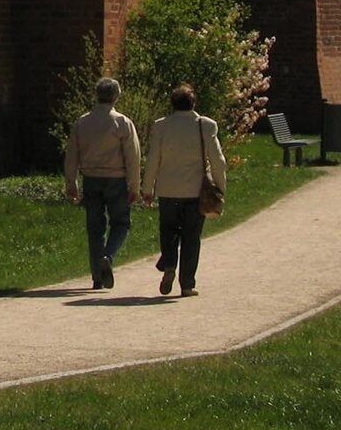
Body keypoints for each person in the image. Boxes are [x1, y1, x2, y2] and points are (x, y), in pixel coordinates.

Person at [141, 83, 227, 297]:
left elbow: (153, 159)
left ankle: (169, 264)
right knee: (191, 236)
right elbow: (218, 160)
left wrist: (147, 187)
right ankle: (187, 284)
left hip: (168, 190)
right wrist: (220, 187)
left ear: (173, 103)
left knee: (168, 231)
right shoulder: (205, 126)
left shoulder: (161, 126)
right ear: (193, 103)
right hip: (195, 191)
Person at [64, 76, 142, 289]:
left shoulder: (83, 122)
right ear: (116, 96)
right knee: (121, 223)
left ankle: (97, 277)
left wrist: (71, 181)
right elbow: (133, 156)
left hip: (91, 178)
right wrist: (134, 186)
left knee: (95, 228)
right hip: (116, 179)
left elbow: (72, 153)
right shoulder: (122, 122)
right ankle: (107, 255)